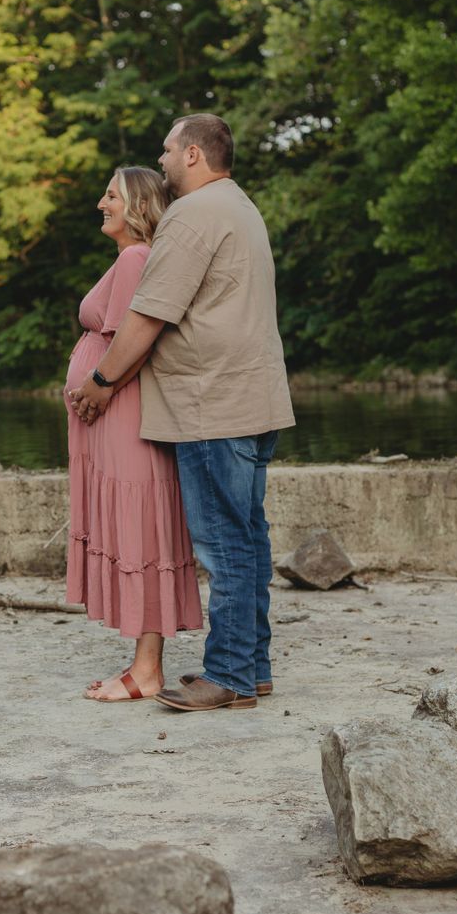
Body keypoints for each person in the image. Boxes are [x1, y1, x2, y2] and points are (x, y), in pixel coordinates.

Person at [70, 114, 294, 712]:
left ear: (193, 154)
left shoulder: (193, 217)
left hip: (211, 405)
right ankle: (253, 666)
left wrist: (100, 381)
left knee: (225, 546)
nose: (162, 160)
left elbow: (148, 316)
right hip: (251, 399)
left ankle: (229, 677)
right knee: (247, 539)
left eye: (168, 150)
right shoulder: (239, 206)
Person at [65, 166, 203, 702]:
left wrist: (97, 387)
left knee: (140, 530)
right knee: (137, 529)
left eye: (111, 195)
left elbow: (133, 338)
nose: (101, 203)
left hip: (121, 416)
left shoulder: (135, 258)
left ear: (138, 205)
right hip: (113, 416)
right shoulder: (132, 259)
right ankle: (144, 664)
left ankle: (147, 670)